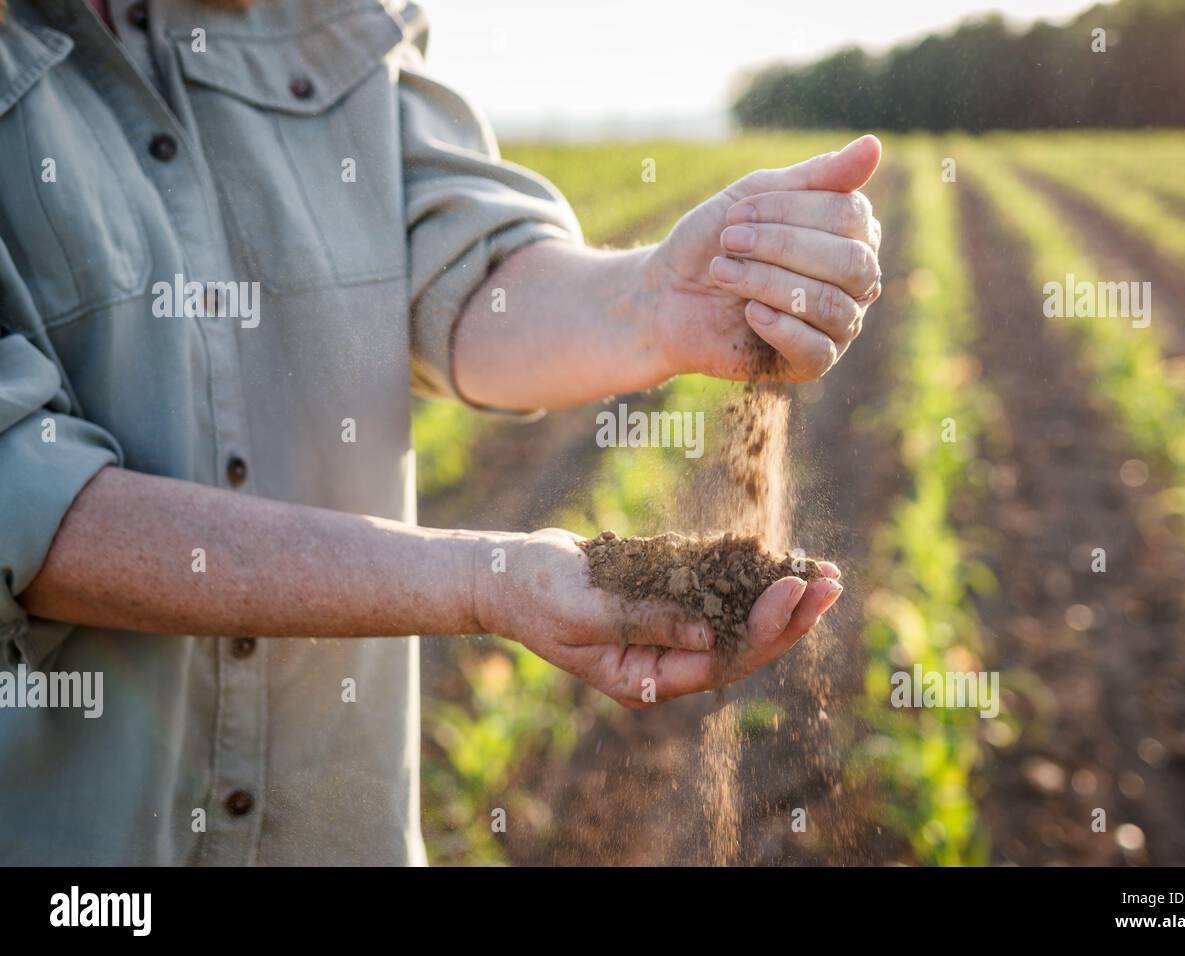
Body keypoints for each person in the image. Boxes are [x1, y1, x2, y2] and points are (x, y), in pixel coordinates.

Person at [0, 0, 883, 864]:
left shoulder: (327, 17)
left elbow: (463, 272)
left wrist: (651, 304)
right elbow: (24, 499)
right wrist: (483, 580)